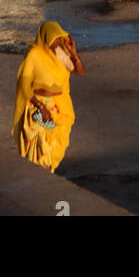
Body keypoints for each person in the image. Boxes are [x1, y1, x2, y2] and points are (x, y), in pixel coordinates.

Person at [12, 20, 85, 174]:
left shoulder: (61, 55)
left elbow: (79, 72)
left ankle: (44, 177)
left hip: (57, 108)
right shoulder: (34, 55)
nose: (56, 43)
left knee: (53, 149)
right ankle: (37, 180)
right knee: (38, 151)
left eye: (58, 39)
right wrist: (41, 107)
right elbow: (24, 86)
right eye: (52, 40)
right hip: (37, 108)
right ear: (44, 39)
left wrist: (74, 53)